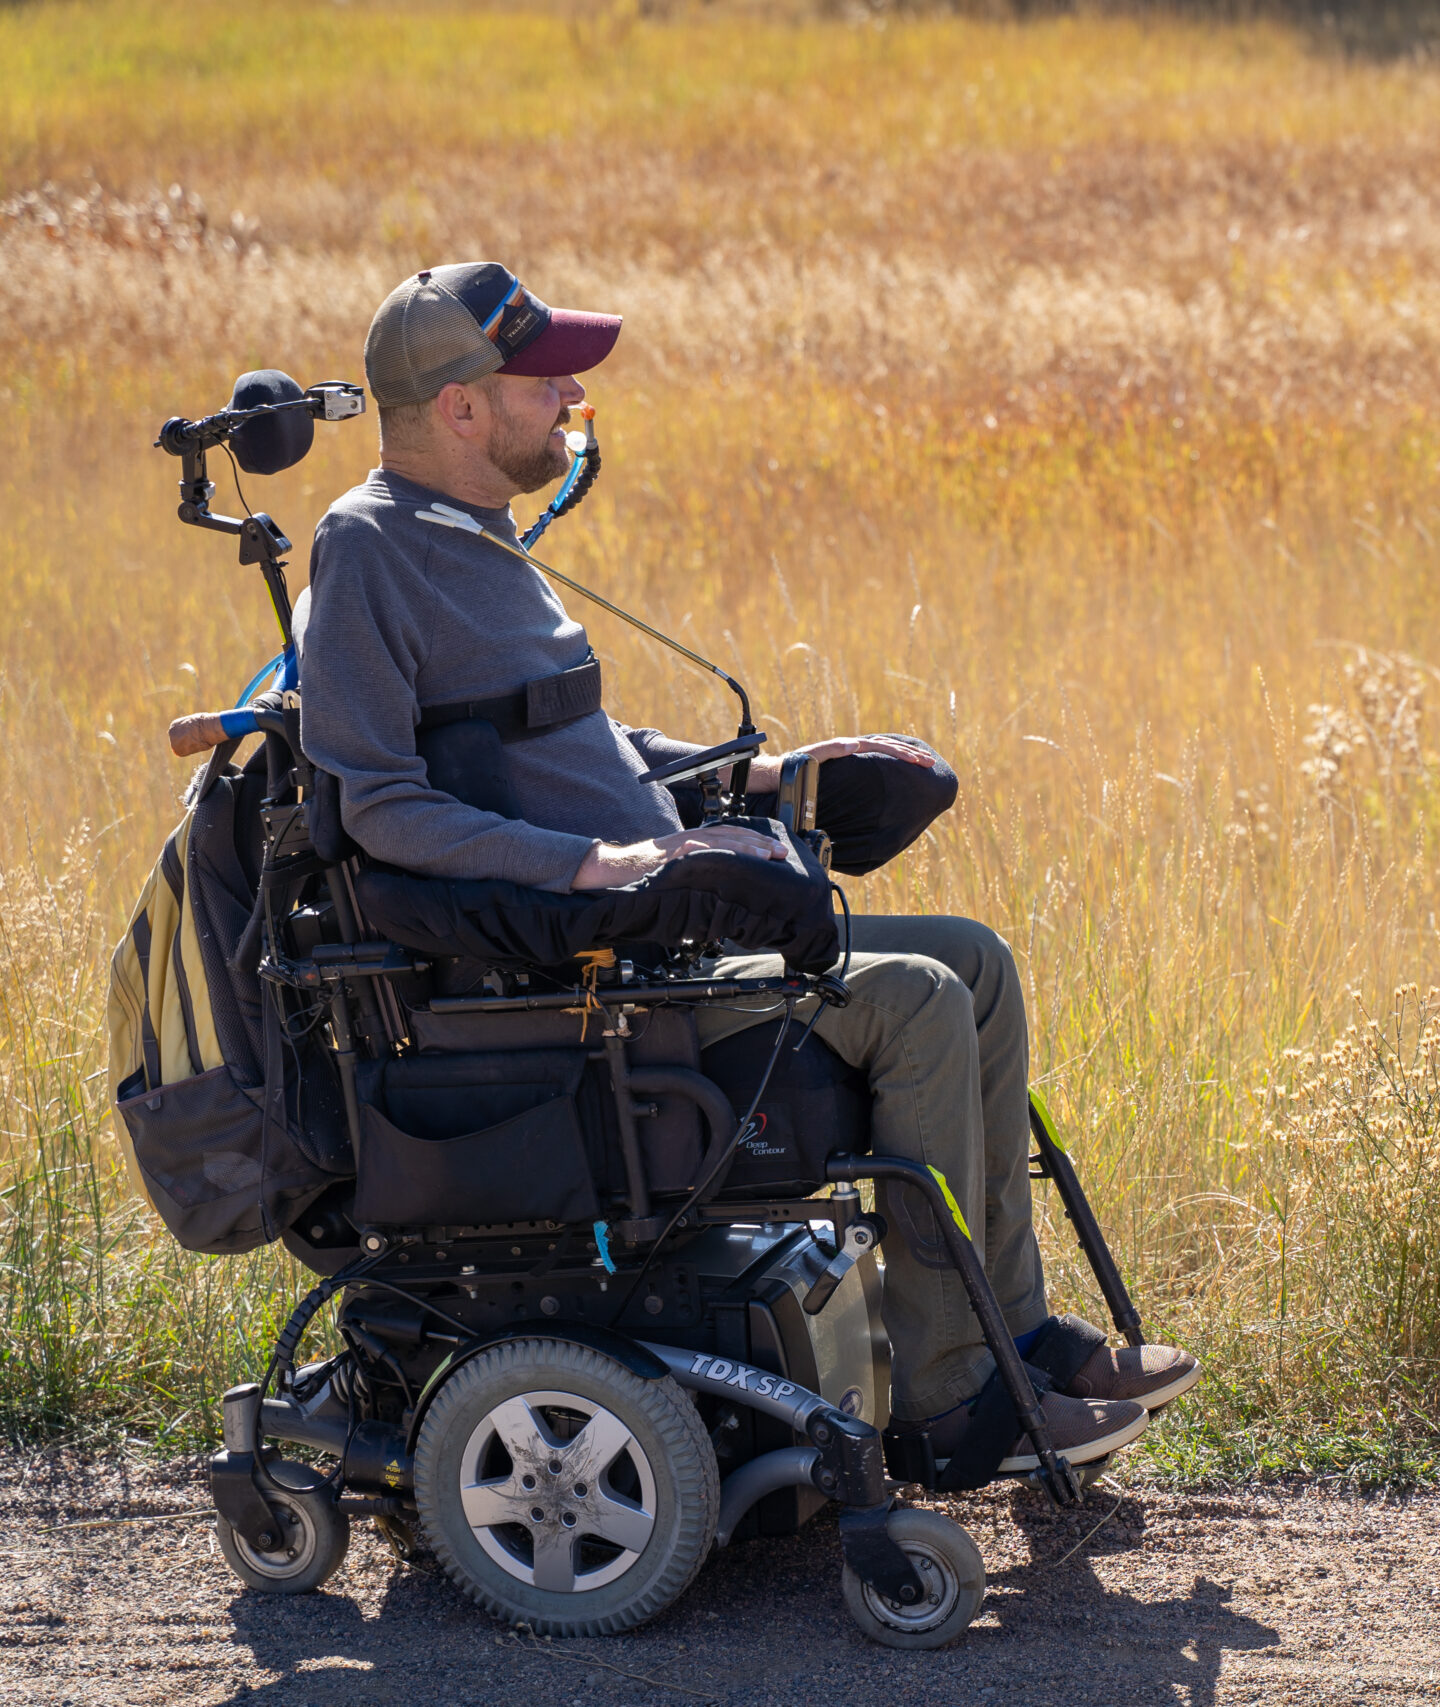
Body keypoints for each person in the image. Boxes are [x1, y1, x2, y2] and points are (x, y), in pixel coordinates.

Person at [293, 262, 1197, 1475]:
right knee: (915, 1003)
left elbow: (572, 743)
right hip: (580, 976)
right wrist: (594, 865)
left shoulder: (471, 533)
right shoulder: (369, 550)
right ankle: (948, 1403)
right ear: (459, 408)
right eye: (543, 381)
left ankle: (1013, 1330)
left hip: (649, 923)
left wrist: (769, 781)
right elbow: (380, 805)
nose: (570, 400)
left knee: (971, 960)